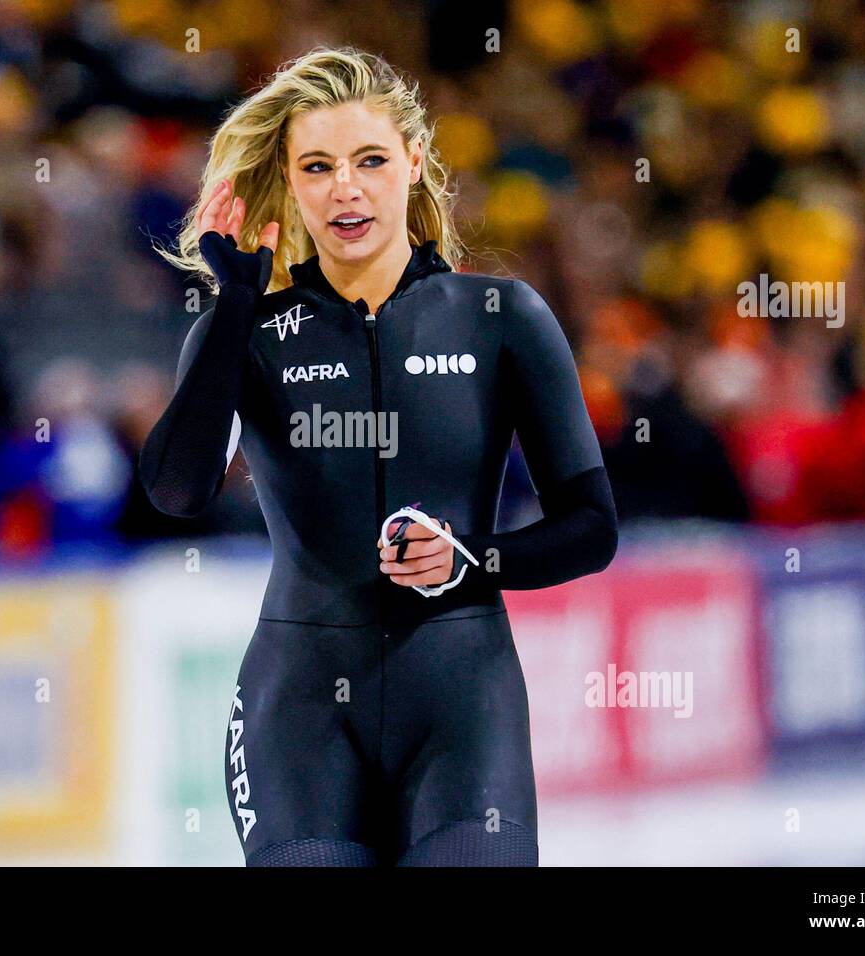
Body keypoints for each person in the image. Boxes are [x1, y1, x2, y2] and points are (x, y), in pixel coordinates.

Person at [140, 46, 618, 867]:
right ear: (288, 182)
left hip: (462, 705)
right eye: (317, 166)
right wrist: (232, 309)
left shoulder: (500, 316)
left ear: (414, 163)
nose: (345, 188)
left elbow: (591, 526)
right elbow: (177, 493)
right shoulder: (249, 335)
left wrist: (474, 562)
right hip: (298, 715)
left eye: (368, 160)